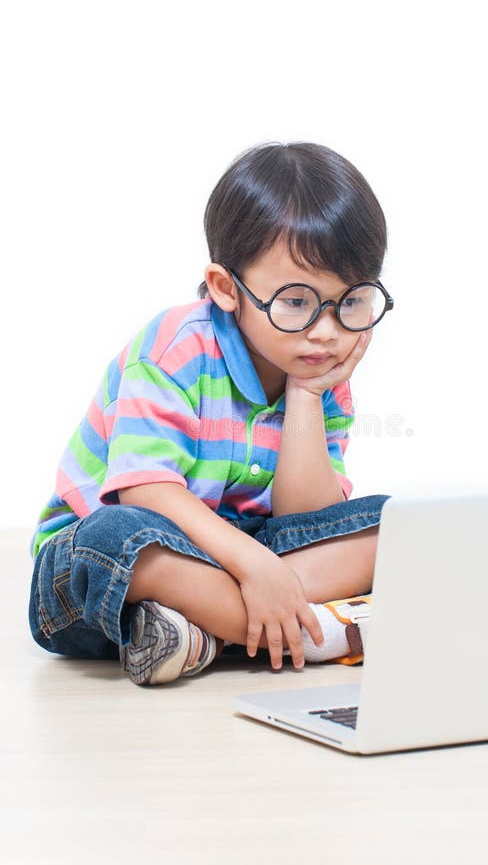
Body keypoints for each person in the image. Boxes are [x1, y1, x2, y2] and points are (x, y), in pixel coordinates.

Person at [29, 141, 394, 686]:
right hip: (104, 568)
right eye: (296, 302)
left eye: (351, 302)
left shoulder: (321, 374)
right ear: (227, 288)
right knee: (115, 536)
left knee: (393, 525)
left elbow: (304, 522)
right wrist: (256, 567)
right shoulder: (177, 345)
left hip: (237, 558)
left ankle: (196, 633)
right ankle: (314, 634)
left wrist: (304, 396)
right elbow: (145, 491)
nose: (326, 329)